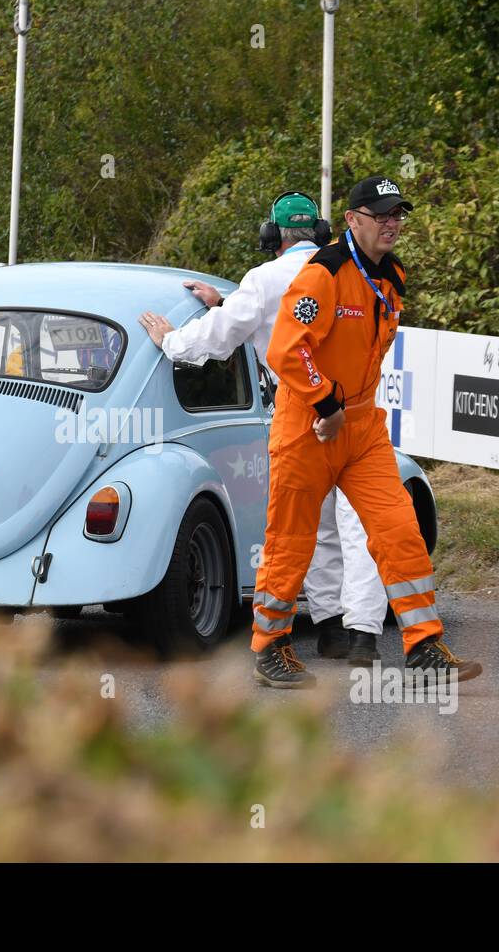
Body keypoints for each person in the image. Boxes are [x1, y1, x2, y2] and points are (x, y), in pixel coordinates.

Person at [250, 176, 483, 687]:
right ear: (353, 220)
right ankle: (270, 647)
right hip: (308, 423)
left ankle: (424, 645)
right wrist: (327, 404)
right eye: (380, 215)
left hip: (363, 427)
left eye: (397, 214)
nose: (391, 223)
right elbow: (286, 350)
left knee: (400, 529)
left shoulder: (392, 276)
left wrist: (346, 410)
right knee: (291, 540)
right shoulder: (324, 273)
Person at [139, 191, 388, 670]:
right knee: (356, 525)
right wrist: (230, 301)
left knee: (301, 526)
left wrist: (170, 339)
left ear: (270, 236)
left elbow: (215, 340)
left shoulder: (263, 280)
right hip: (353, 408)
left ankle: (315, 628)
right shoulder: (348, 269)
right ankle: (359, 636)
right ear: (320, 231)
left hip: (298, 411)